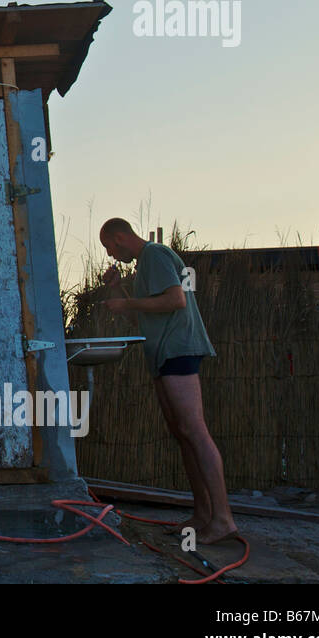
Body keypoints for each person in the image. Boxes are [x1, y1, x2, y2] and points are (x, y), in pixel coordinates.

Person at [98, 218, 237, 545]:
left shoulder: (156, 255)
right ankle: (203, 514)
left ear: (120, 238)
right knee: (183, 433)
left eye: (110, 248)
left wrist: (127, 301)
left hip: (179, 349)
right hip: (163, 353)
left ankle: (224, 519)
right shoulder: (145, 265)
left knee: (195, 430)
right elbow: (145, 315)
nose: (112, 256)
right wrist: (119, 292)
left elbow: (176, 300)